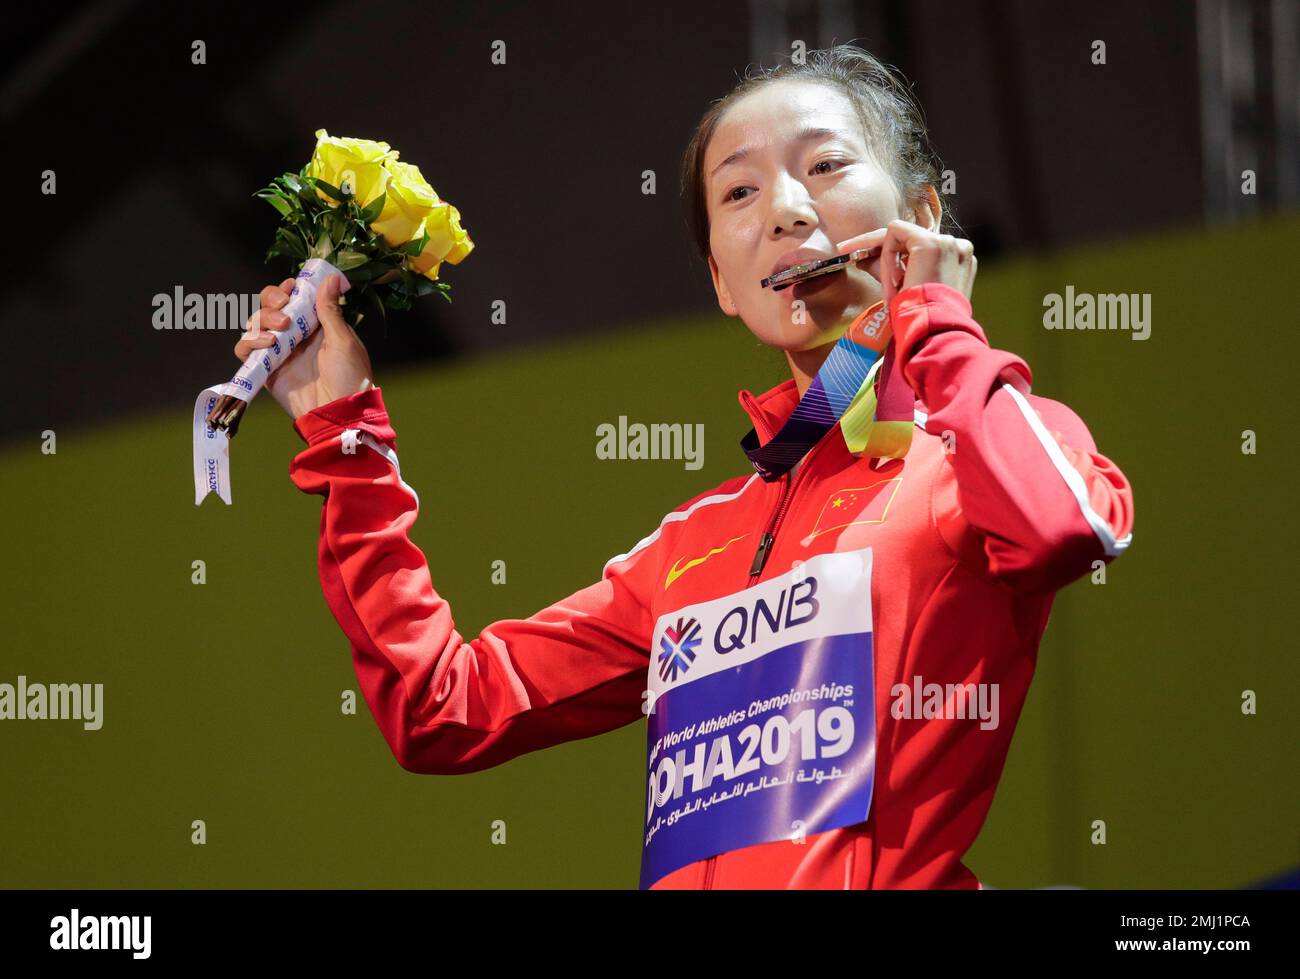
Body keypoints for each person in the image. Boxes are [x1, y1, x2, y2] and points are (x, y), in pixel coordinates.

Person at [235, 44, 1134, 890]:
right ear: (720, 280)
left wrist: (937, 323)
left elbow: (1062, 529)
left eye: (825, 166)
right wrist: (343, 435)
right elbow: (444, 709)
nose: (785, 208)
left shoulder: (970, 449)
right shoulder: (690, 549)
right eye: (738, 192)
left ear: (925, 217)